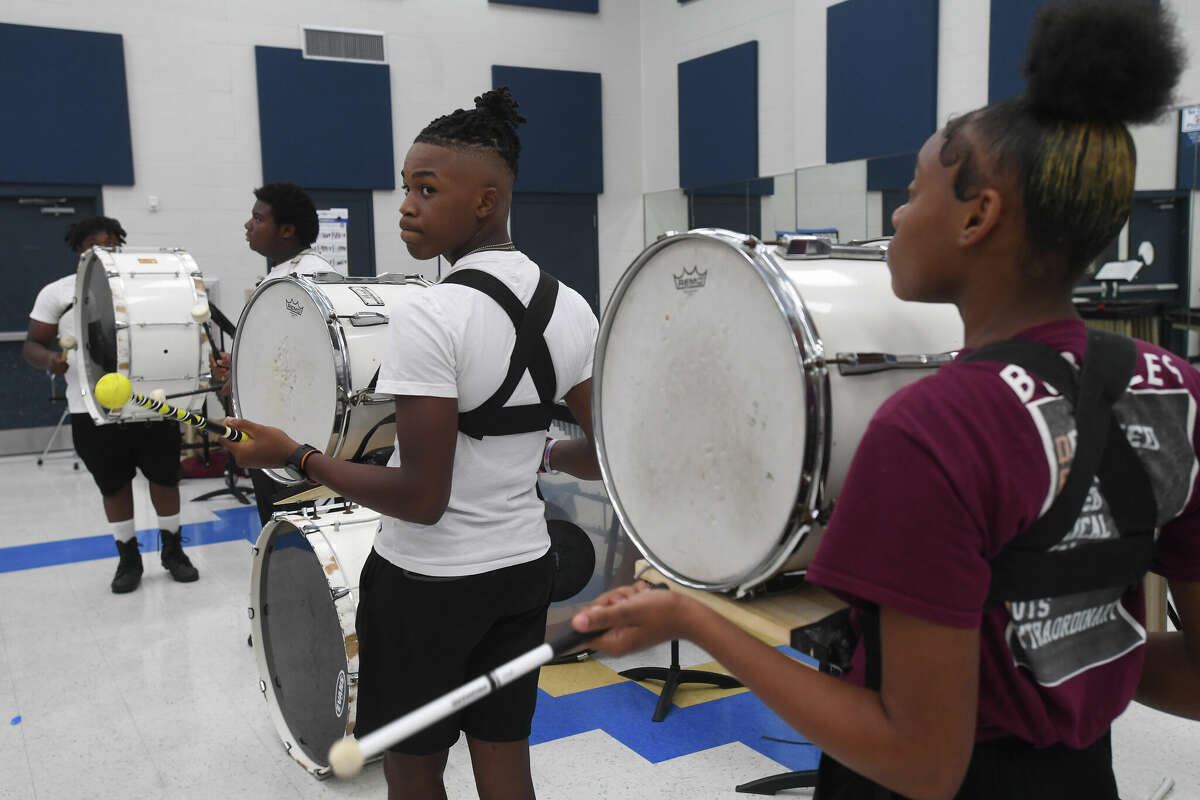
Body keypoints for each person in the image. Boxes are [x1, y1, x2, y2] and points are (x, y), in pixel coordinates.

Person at [572, 2, 1200, 798]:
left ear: (979, 215)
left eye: (912, 191)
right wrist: (1071, 647)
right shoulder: (1173, 388)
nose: (896, 217)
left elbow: (918, 761)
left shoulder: (933, 429)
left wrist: (697, 622)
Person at [222, 87, 601, 800]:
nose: (407, 206)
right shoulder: (570, 305)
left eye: (427, 190)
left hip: (427, 585)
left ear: (486, 202)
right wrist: (540, 454)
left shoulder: (432, 312)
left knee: (413, 766)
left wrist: (295, 454)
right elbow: (605, 449)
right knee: (504, 755)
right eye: (406, 188)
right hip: (525, 572)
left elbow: (422, 499)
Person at [23, 216, 198, 593]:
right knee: (113, 486)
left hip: (150, 403)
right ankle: (128, 559)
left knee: (165, 479)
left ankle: (173, 551)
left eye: (112, 243)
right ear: (79, 248)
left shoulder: (139, 286)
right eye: (93, 244)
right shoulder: (57, 292)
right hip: (92, 409)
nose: (104, 249)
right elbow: (32, 344)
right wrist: (49, 360)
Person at [209, 181, 334, 524]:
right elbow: (283, 351)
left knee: (295, 529)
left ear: (287, 230)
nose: (248, 226)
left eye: (258, 219)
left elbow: (314, 360)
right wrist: (241, 366)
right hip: (277, 427)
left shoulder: (310, 275)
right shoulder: (284, 274)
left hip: (299, 434)